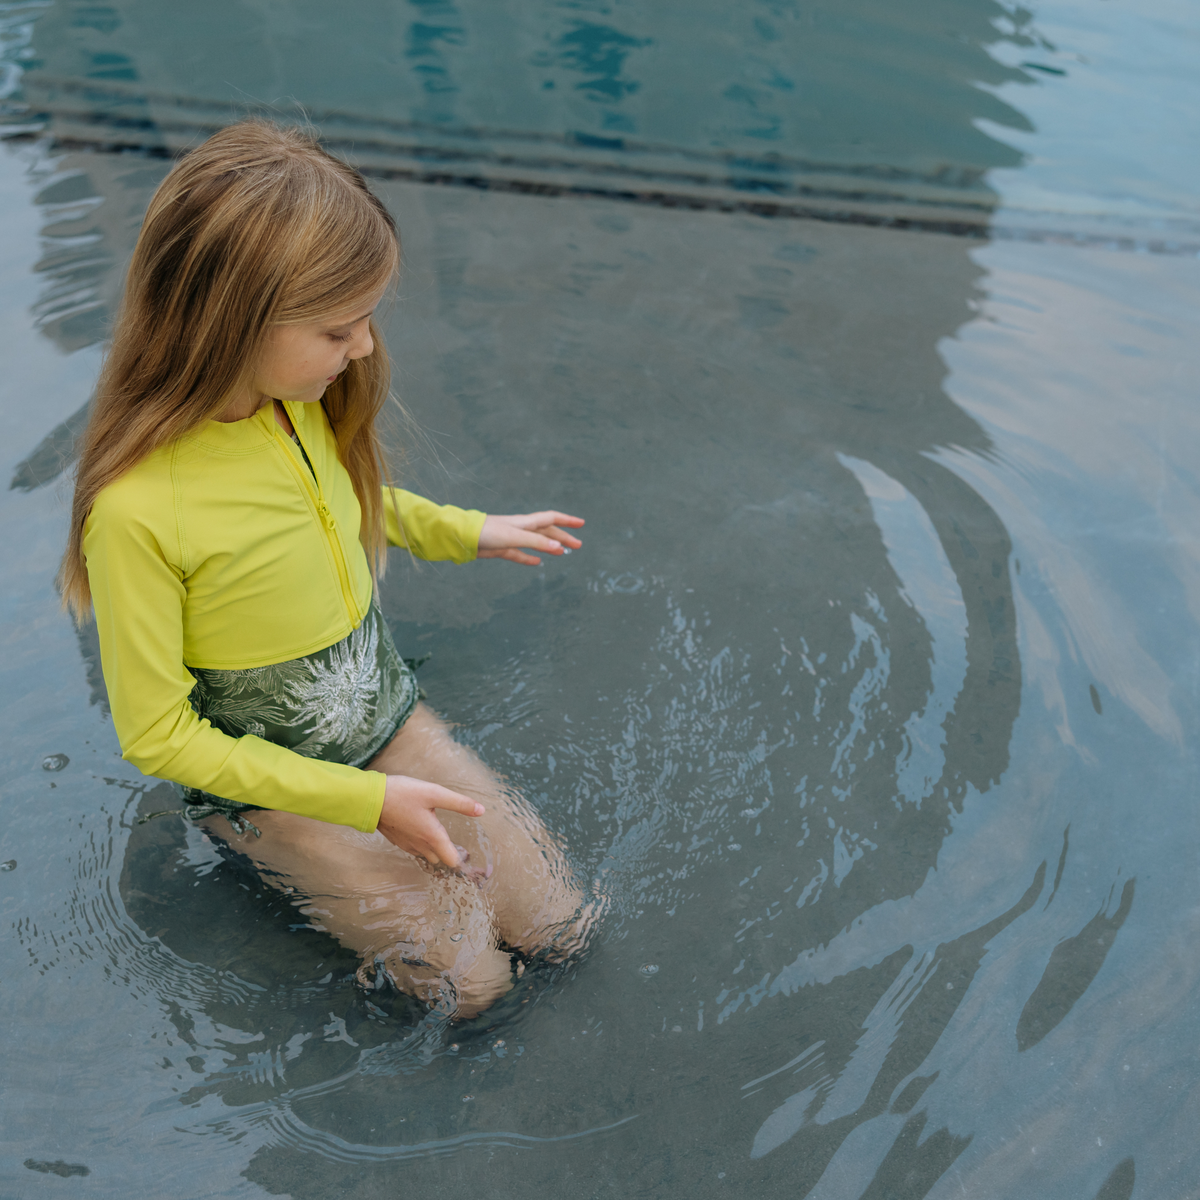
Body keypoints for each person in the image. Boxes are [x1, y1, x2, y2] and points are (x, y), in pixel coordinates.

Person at [58, 120, 594, 1019]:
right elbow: (156, 736)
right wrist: (363, 802)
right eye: (339, 327)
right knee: (472, 989)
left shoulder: (293, 408)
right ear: (229, 325)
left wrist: (469, 531)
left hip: (389, 728)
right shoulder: (139, 512)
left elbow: (345, 507)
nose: (367, 349)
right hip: (277, 792)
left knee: (563, 929)